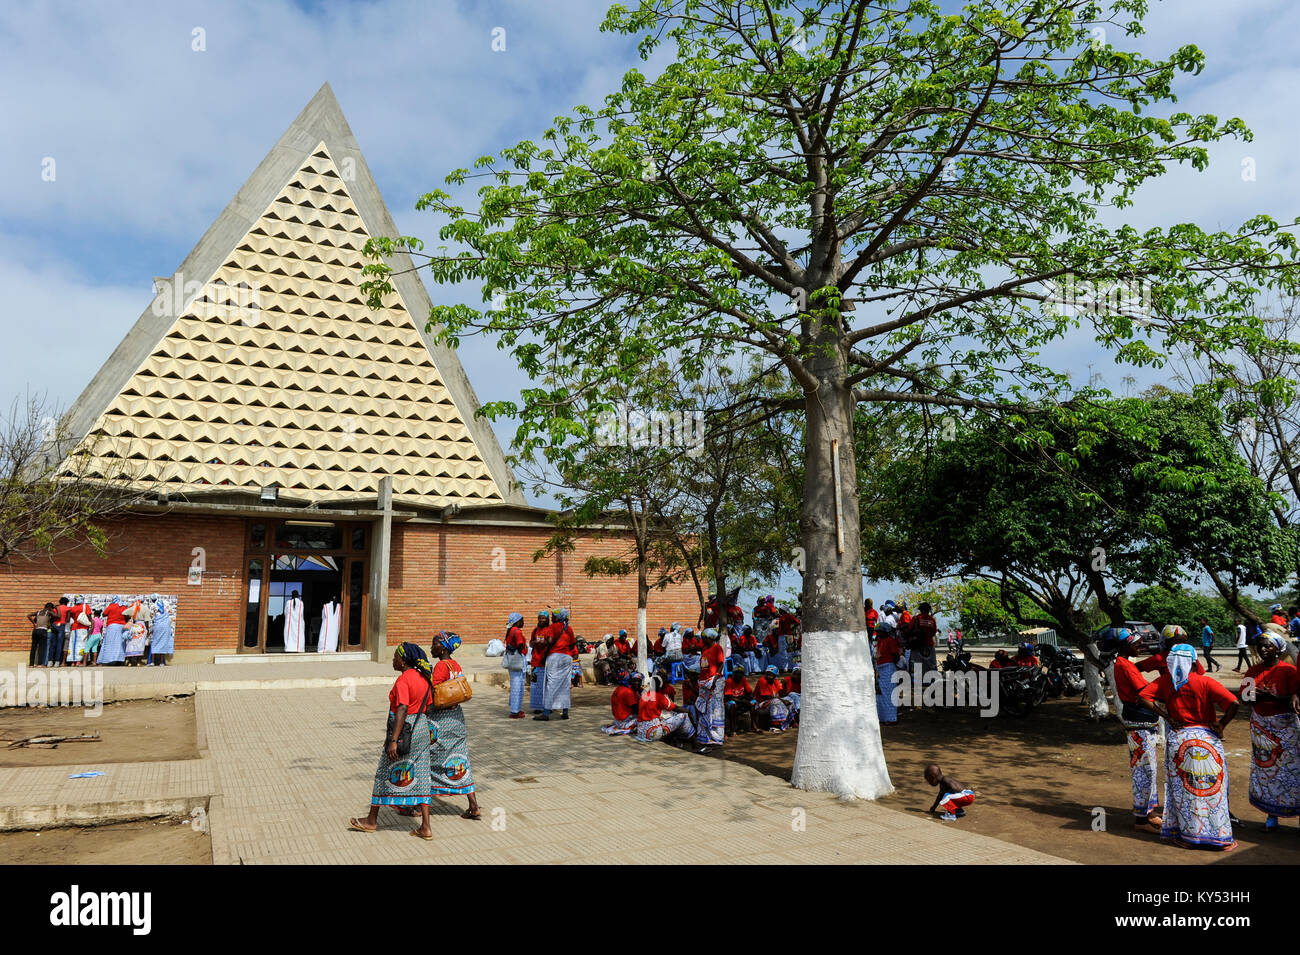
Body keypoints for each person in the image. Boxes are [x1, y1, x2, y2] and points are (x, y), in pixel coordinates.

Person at [1138, 643, 1238, 851]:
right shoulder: (1205, 681)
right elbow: (1234, 702)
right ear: (1194, 662)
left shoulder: (1166, 682)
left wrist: (1166, 715)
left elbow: (1143, 696)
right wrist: (1221, 724)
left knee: (1185, 792)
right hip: (1207, 740)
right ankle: (1221, 838)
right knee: (1213, 790)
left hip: (1180, 739)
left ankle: (1189, 836)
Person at [349, 642, 435, 839]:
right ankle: (426, 827)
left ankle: (371, 820)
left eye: (396, 656)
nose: (393, 660)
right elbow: (429, 707)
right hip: (421, 727)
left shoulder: (404, 679)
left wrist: (393, 740)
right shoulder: (424, 677)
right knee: (421, 775)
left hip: (404, 730)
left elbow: (402, 708)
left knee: (383, 772)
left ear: (403, 661)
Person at [1102, 627, 1163, 833]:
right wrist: (1165, 712)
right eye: (1136, 643)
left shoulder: (1124, 663)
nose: (1140, 646)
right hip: (1139, 722)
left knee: (1148, 768)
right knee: (1144, 769)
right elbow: (1145, 694)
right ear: (1124, 646)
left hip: (1140, 722)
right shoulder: (1126, 666)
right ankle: (1141, 820)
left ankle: (1149, 813)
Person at [1241, 633, 1300, 831]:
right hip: (1261, 727)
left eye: (1267, 646)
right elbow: (1244, 698)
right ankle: (1271, 815)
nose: (1263, 649)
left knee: (1292, 771)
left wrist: (1273, 697)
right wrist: (1254, 698)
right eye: (1260, 646)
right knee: (1267, 771)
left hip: (1285, 727)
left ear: (1278, 649)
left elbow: (1295, 700)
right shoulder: (1252, 671)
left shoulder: (1289, 671)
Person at [425, 631, 480, 820]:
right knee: (460, 758)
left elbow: (435, 693)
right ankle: (473, 804)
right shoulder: (455, 664)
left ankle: (419, 805)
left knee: (431, 758)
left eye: (434, 644)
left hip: (441, 719)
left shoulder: (440, 666)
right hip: (457, 717)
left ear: (442, 647)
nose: (431, 648)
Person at [635, 674, 694, 744]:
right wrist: (688, 712)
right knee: (683, 716)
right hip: (652, 733)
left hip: (641, 732)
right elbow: (676, 708)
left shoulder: (644, 695)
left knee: (667, 718)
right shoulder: (659, 697)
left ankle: (673, 739)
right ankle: (694, 743)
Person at [536, 608, 573, 720]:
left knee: (551, 684)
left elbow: (550, 640)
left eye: (552, 616)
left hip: (555, 657)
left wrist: (544, 642)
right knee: (565, 684)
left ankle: (546, 713)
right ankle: (565, 712)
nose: (551, 618)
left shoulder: (553, 627)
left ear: (557, 618)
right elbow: (572, 644)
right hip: (567, 657)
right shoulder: (569, 628)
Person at [693, 628, 727, 752]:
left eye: (704, 637)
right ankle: (705, 738)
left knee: (714, 708)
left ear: (710, 638)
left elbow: (721, 664)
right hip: (704, 682)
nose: (702, 639)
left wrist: (715, 677)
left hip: (714, 682)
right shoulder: (705, 649)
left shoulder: (717, 648)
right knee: (704, 708)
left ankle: (716, 738)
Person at [874, 622, 903, 725]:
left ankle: (891, 719)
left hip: (888, 668)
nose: (877, 633)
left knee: (889, 694)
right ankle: (883, 717)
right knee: (881, 694)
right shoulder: (880, 640)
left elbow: (896, 656)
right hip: (881, 668)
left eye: (879, 631)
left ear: (885, 631)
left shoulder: (890, 640)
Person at [504, 612, 528, 718]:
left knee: (515, 684)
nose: (523, 623)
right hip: (517, 660)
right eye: (522, 620)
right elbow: (520, 645)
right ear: (517, 622)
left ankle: (515, 708)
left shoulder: (510, 630)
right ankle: (515, 711)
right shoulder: (517, 631)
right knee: (517, 686)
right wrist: (525, 651)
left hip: (512, 661)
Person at [529, 610, 551, 713]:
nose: (541, 620)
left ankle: (547, 706)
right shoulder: (535, 630)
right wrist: (535, 642)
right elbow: (530, 643)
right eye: (540, 618)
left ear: (547, 619)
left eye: (543, 618)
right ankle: (537, 707)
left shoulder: (549, 630)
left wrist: (544, 642)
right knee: (536, 684)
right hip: (536, 659)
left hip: (546, 660)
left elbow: (551, 643)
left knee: (547, 684)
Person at [723, 665, 754, 736]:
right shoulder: (729, 681)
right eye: (737, 673)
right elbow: (729, 697)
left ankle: (753, 726)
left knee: (753, 702)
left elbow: (750, 693)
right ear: (733, 674)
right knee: (732, 704)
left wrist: (745, 699)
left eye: (741, 673)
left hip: (741, 701)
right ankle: (732, 729)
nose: (739, 675)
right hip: (730, 703)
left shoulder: (743, 680)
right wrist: (742, 700)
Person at [99, 596, 128, 666]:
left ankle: (107, 660)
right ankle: (120, 660)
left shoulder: (111, 606)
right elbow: (127, 615)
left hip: (112, 627)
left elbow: (104, 614)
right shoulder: (123, 606)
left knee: (109, 643)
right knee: (120, 644)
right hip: (121, 626)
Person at [28, 603, 54, 668]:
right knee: (41, 648)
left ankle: (31, 664)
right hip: (43, 631)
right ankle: (39, 664)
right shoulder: (49, 612)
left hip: (35, 631)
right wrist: (56, 609)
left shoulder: (38, 612)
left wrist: (34, 623)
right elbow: (58, 616)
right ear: (50, 608)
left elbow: (28, 615)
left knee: (33, 648)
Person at [150, 597, 174, 666]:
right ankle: (161, 662)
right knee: (163, 643)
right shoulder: (166, 604)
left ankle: (152, 661)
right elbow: (171, 611)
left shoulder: (153, 606)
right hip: (166, 626)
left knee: (155, 642)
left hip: (157, 626)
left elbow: (151, 615)